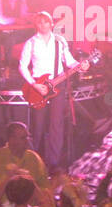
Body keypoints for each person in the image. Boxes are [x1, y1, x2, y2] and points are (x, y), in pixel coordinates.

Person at [18, 10, 86, 170]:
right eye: (40, 22)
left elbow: (68, 61)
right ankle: (34, 161)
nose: (43, 25)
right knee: (38, 125)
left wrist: (80, 66)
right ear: (36, 24)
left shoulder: (59, 41)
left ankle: (54, 162)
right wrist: (34, 84)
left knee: (57, 124)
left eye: (46, 22)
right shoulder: (31, 43)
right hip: (38, 86)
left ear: (51, 23)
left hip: (58, 84)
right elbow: (22, 66)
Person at [0, 121, 48, 198]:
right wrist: (7, 178)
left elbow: (46, 190)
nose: (27, 141)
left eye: (28, 137)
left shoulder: (35, 158)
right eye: (23, 138)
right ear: (12, 140)